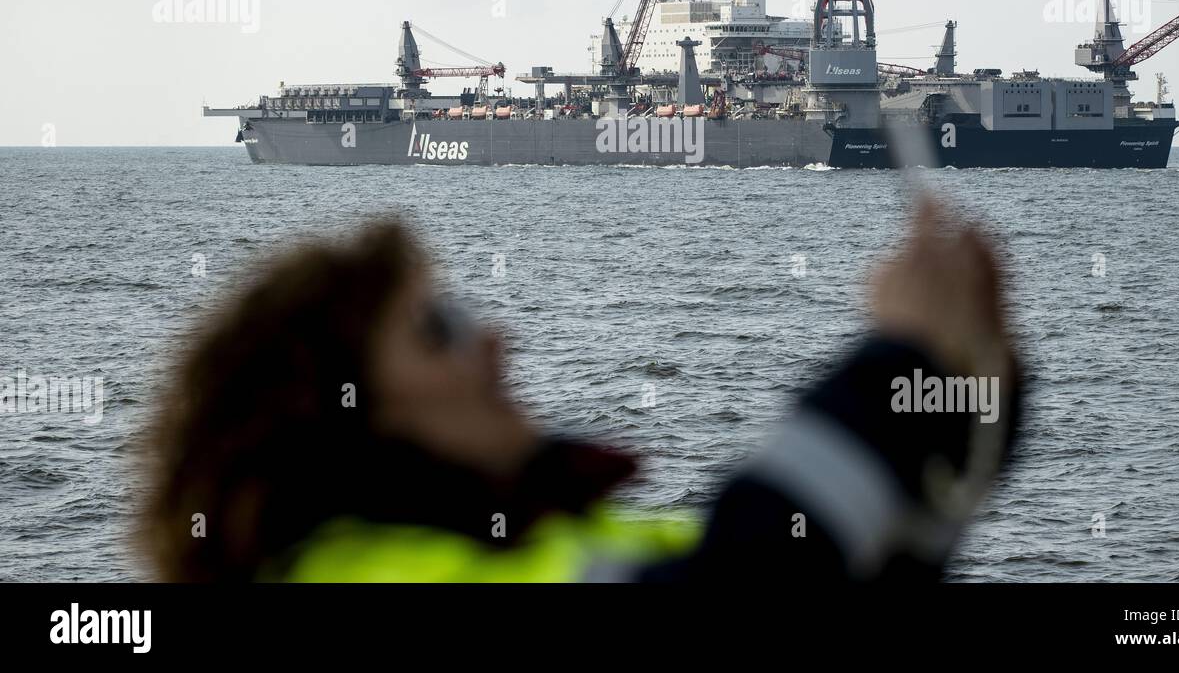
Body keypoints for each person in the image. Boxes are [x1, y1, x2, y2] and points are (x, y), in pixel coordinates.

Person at [140, 197, 1019, 581]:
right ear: (336, 407)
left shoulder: (554, 542)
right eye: (435, 328)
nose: (494, 339)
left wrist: (967, 383)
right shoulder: (356, 575)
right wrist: (898, 355)